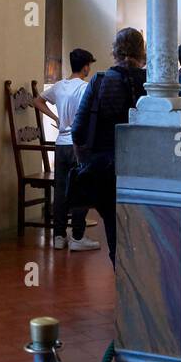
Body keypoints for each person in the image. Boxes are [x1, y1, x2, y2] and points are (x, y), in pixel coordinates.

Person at [72, 28, 146, 264]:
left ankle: (121, 282)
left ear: (115, 49)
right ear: (141, 49)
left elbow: (77, 129)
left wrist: (83, 161)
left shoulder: (101, 80)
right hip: (143, 166)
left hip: (104, 165)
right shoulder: (151, 83)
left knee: (114, 230)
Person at [34, 49, 100, 252]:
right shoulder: (85, 88)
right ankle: (78, 236)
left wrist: (55, 119)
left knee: (61, 191)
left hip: (60, 145)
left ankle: (59, 236)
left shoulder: (60, 86)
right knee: (82, 190)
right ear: (86, 66)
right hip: (78, 146)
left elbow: (37, 100)